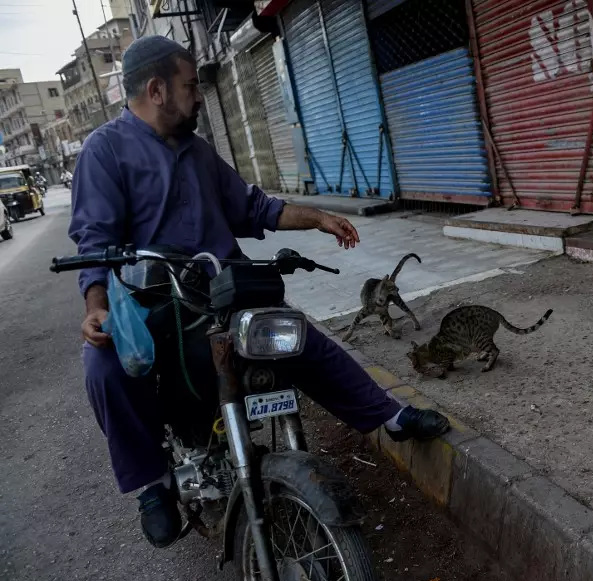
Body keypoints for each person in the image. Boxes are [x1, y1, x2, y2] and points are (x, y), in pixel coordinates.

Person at [69, 36, 450, 548]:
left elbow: (254, 208)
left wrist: (318, 217)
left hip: (225, 291)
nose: (200, 96)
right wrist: (96, 306)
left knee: (298, 338)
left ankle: (390, 416)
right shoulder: (105, 150)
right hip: (152, 305)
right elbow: (95, 239)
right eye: (190, 86)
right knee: (104, 367)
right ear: (156, 90)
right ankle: (153, 484)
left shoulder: (200, 153)